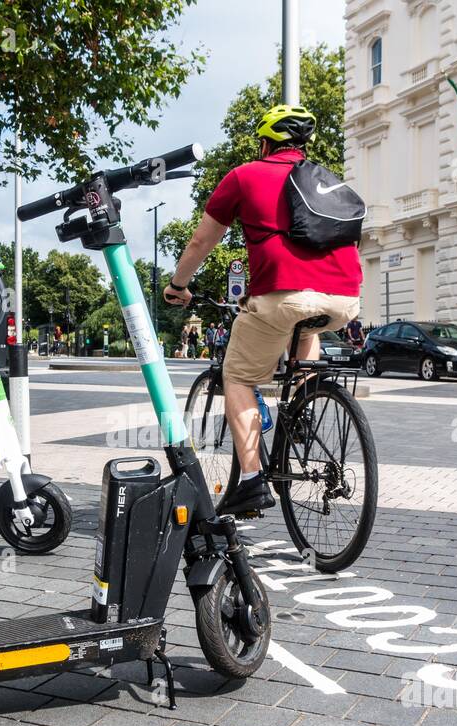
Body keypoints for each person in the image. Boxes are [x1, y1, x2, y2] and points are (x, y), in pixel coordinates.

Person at [164, 104, 362, 516]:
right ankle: (303, 406)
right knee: (304, 329)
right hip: (345, 299)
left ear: (266, 142)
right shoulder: (326, 182)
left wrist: (178, 285)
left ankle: (252, 481)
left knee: (237, 375)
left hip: (282, 297)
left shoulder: (244, 175)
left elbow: (202, 242)